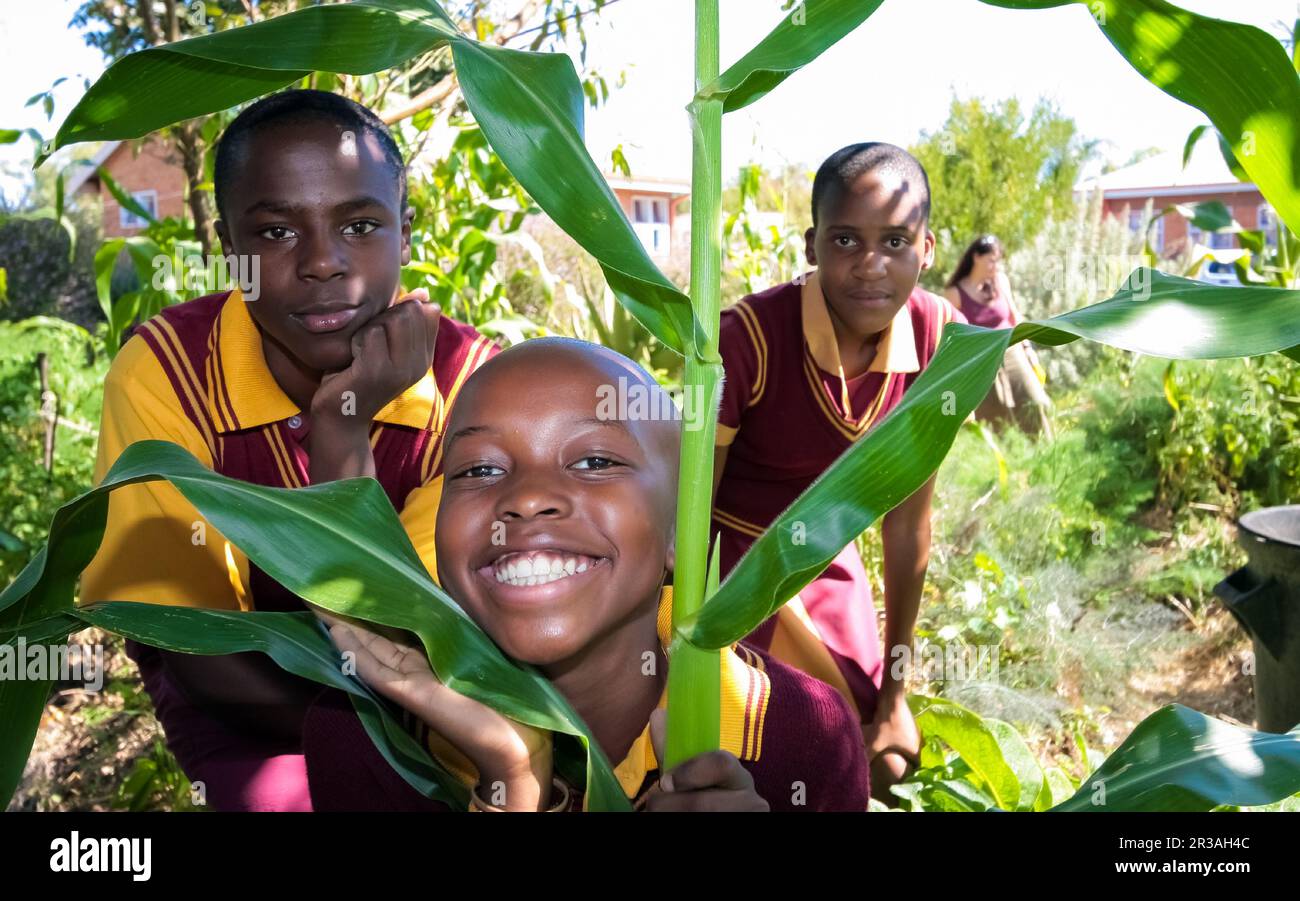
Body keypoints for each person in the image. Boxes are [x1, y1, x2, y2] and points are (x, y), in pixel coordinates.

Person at [77, 90, 499, 811]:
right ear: (228, 247)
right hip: (249, 705)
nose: (323, 263)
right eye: (275, 234)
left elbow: (422, 635)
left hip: (446, 706)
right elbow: (195, 643)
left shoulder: (470, 382)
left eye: (360, 224)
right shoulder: (170, 372)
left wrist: (340, 428)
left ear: (405, 230)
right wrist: (390, 745)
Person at [300, 338, 872, 811]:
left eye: (595, 462)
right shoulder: (365, 734)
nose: (528, 498)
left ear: (680, 532)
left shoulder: (801, 737)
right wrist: (514, 781)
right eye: (479, 468)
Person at [711, 143, 967, 795]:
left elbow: (909, 524)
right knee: (753, 752)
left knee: (883, 761)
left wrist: (896, 693)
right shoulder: (748, 338)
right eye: (846, 239)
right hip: (729, 569)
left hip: (827, 561)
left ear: (928, 249)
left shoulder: (941, 339)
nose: (871, 265)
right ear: (811, 244)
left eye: (896, 240)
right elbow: (681, 524)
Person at [943, 234, 1053, 437]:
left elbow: (1015, 316)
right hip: (981, 359)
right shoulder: (955, 293)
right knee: (995, 413)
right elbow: (950, 336)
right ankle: (1008, 457)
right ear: (976, 257)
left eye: (998, 261)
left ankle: (1043, 449)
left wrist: (1029, 351)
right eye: (991, 260)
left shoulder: (1000, 281)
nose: (995, 266)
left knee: (1035, 401)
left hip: (1012, 350)